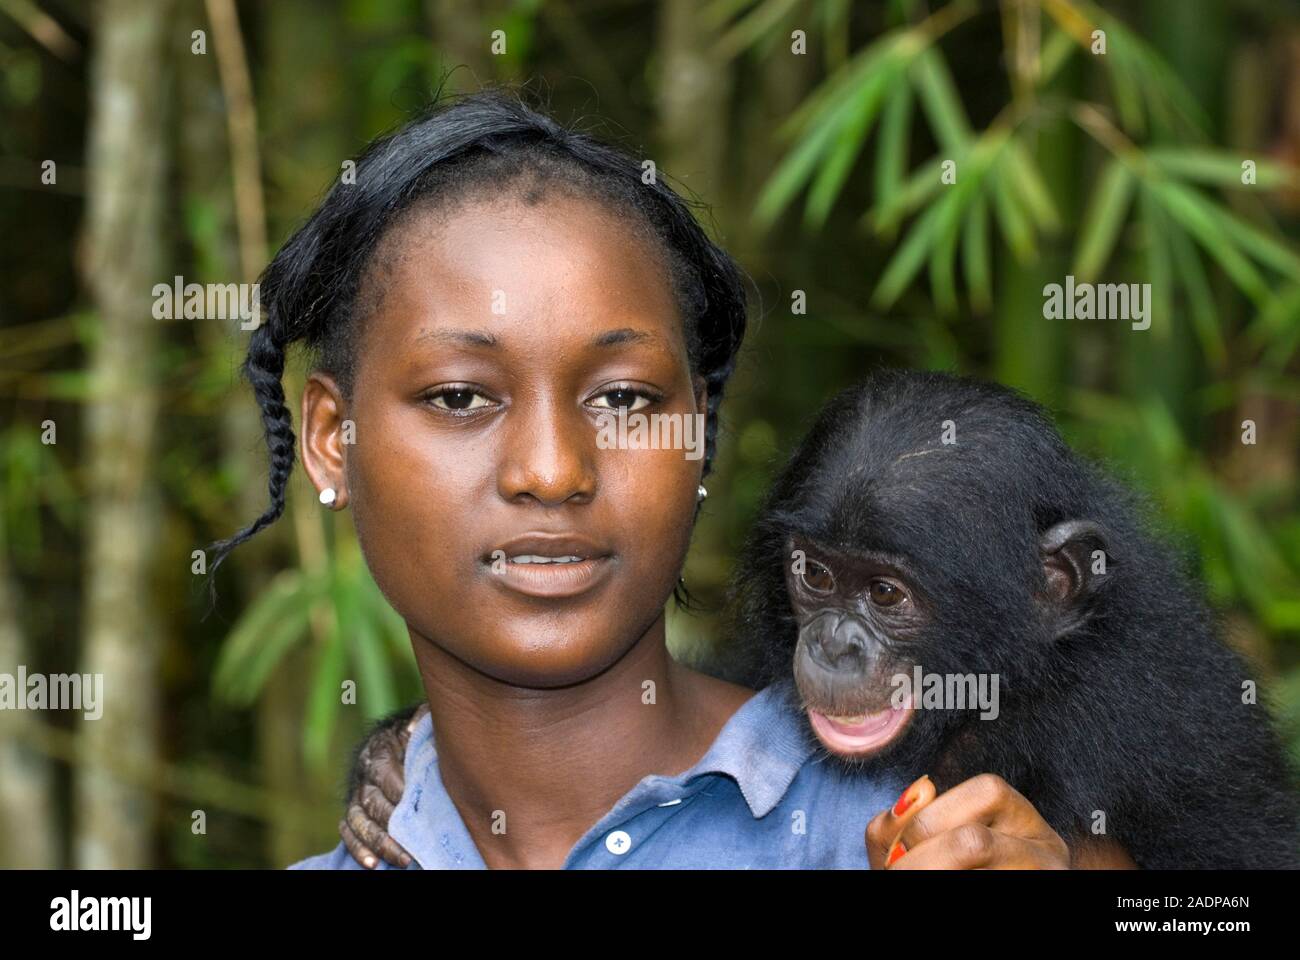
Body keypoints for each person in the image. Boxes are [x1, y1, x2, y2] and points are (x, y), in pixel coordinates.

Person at [206, 85, 1123, 869]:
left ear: (701, 433)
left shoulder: (933, 831)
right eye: (458, 396)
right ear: (332, 437)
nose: (553, 471)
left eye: (625, 399)